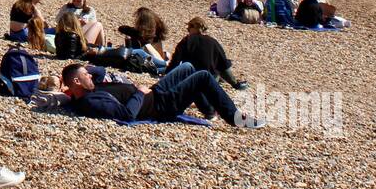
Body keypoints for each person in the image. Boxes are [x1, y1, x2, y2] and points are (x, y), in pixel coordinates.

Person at [59, 61, 262, 128]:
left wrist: (87, 68)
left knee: (188, 67)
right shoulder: (91, 101)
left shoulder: (89, 88)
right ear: (77, 82)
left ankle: (209, 110)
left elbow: (100, 71)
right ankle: (235, 118)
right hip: (161, 105)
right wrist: (139, 92)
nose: (91, 77)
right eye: (86, 75)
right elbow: (127, 115)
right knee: (202, 76)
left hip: (155, 92)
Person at [169, 17, 247, 89]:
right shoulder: (213, 42)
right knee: (219, 67)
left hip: (191, 79)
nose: (188, 31)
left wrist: (167, 74)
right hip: (210, 80)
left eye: (189, 28)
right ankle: (231, 83)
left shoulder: (186, 41)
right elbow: (223, 65)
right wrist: (235, 84)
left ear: (194, 28)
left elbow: (176, 60)